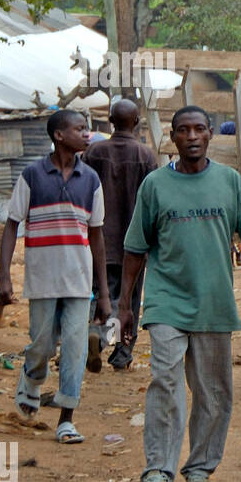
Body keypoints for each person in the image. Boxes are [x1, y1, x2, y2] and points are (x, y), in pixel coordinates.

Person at [119, 105, 241, 482]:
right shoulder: (154, 186)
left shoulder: (230, 182)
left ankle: (200, 465)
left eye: (199, 129)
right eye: (183, 130)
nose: (191, 137)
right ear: (172, 137)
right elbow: (136, 248)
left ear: (209, 135)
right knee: (164, 383)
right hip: (166, 300)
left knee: (212, 390)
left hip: (214, 301)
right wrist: (124, 304)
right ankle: (157, 470)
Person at [0, 109, 111, 446]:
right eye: (80, 129)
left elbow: (97, 236)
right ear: (59, 135)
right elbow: (11, 225)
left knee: (75, 349)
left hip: (78, 280)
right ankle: (32, 379)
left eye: (87, 129)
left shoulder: (90, 179)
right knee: (43, 344)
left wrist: (102, 292)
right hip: (43, 278)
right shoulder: (32, 175)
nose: (87, 134)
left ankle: (66, 419)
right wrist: (5, 277)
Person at [83, 97, 158, 370]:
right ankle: (120, 352)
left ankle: (96, 333)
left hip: (97, 240)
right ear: (136, 121)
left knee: (101, 292)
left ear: (111, 121)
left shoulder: (93, 152)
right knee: (127, 298)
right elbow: (154, 201)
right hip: (133, 244)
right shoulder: (146, 156)